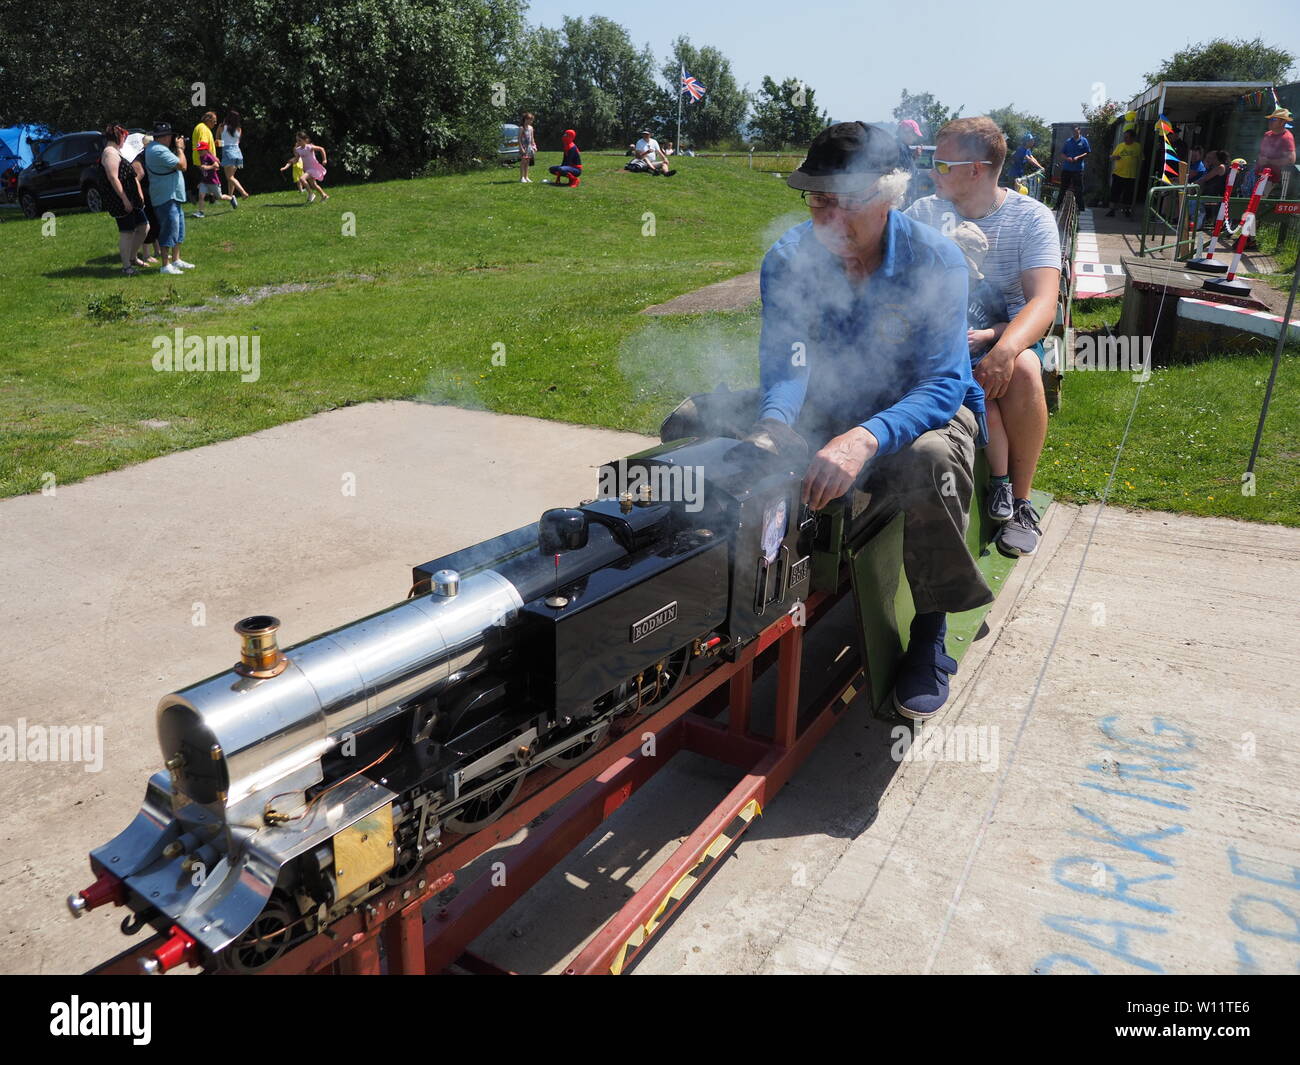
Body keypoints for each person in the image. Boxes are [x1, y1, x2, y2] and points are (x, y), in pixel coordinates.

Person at [754, 121, 992, 720]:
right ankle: (745, 601)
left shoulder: (934, 259)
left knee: (929, 461)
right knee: (700, 422)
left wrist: (865, 438)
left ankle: (929, 635)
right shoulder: (788, 259)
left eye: (849, 203)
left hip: (922, 411)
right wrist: (774, 424)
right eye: (817, 201)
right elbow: (788, 363)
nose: (830, 220)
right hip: (833, 405)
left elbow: (944, 383)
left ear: (891, 196)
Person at [907, 115, 1059, 561]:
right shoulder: (922, 213)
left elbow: (1043, 301)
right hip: (936, 339)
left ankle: (1021, 504)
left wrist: (1007, 348)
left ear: (976, 168)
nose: (933, 172)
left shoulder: (1030, 218)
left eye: (941, 163)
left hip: (1000, 337)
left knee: (1027, 369)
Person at [949, 221, 1014, 522]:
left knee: (989, 408)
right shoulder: (937, 282)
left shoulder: (987, 291)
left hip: (976, 365)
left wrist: (987, 334)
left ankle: (1001, 481)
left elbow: (1006, 324)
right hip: (944, 365)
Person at [143, 122, 194, 274]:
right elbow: (183, 165)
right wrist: (180, 149)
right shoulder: (158, 150)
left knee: (178, 230)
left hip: (172, 194)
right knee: (169, 230)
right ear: (165, 137)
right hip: (166, 196)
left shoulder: (158, 148)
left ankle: (176, 260)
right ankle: (165, 265)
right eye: (171, 136)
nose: (173, 138)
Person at [100, 124, 148, 276]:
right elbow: (113, 178)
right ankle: (126, 266)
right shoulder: (109, 153)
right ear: (117, 137)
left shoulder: (116, 151)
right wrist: (125, 200)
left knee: (143, 226)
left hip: (131, 198)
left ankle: (133, 257)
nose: (124, 140)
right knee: (127, 232)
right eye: (123, 137)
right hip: (120, 199)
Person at [131, 135, 162, 267]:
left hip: (153, 192)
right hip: (145, 194)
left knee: (156, 222)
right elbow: (137, 176)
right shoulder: (140, 158)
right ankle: (146, 254)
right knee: (148, 223)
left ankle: (158, 250)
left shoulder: (150, 155)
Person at [1255, 108, 1296, 196]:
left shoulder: (1287, 138)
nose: (1270, 121)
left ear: (1283, 122)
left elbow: (1291, 160)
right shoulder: (1267, 134)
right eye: (1270, 119)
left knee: (1259, 205)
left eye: (1274, 119)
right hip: (1258, 176)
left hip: (1272, 181)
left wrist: (1268, 161)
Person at [193, 140, 237, 215]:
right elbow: (204, 171)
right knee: (201, 195)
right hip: (205, 181)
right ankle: (201, 212)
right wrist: (201, 181)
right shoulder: (201, 157)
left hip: (213, 181)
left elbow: (216, 166)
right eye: (198, 150)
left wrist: (207, 167)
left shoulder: (209, 157)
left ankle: (231, 198)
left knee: (220, 197)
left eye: (200, 150)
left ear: (206, 150)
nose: (199, 152)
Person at [1106, 128, 1142, 217]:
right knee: (1115, 193)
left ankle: (1127, 210)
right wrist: (1114, 157)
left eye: (1127, 137)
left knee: (1128, 194)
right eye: (1124, 137)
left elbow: (1141, 159)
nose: (1125, 139)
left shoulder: (1137, 147)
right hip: (1118, 173)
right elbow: (1111, 157)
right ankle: (1112, 210)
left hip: (1131, 175)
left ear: (1133, 138)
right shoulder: (1120, 146)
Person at [1194, 149, 1229, 231]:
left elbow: (1205, 178)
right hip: (1211, 194)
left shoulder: (1220, 167)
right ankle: (1200, 222)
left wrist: (1192, 184)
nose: (1210, 160)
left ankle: (1198, 224)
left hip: (1215, 197)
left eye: (1212, 158)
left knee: (1194, 202)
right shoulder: (1215, 167)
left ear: (1217, 159)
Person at [219, 110, 250, 199]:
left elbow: (217, 140)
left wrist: (223, 145)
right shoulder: (239, 129)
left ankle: (243, 193)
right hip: (238, 153)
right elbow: (238, 142)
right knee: (231, 177)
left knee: (230, 177)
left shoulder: (222, 127)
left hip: (228, 152)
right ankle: (230, 196)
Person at [290, 132, 329, 202]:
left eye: (300, 140)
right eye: (297, 140)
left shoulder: (309, 147)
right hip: (307, 169)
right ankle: (324, 195)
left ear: (305, 140)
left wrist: (324, 159)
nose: (298, 142)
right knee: (313, 185)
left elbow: (321, 149)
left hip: (313, 168)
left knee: (302, 179)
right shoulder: (298, 149)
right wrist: (293, 161)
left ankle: (311, 194)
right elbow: (297, 158)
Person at [1058, 125, 1089, 211]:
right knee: (1063, 188)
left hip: (1078, 169)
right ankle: (1057, 205)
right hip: (1067, 168)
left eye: (1076, 131)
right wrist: (1067, 158)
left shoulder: (1084, 141)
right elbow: (1062, 153)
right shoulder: (1068, 141)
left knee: (1078, 189)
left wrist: (1078, 157)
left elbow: (1087, 152)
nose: (1075, 133)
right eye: (1073, 132)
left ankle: (1081, 207)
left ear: (1079, 131)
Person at [191, 111, 219, 203]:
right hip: (204, 160)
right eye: (214, 121)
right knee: (207, 180)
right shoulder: (203, 129)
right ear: (208, 119)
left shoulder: (201, 127)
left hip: (200, 159)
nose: (215, 123)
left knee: (207, 179)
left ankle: (212, 199)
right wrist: (213, 158)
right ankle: (196, 198)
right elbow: (203, 145)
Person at [518, 112, 537, 183]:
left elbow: (532, 138)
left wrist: (534, 146)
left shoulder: (531, 128)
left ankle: (526, 177)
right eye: (529, 119)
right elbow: (519, 139)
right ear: (525, 119)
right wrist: (521, 148)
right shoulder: (521, 128)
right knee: (523, 162)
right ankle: (521, 177)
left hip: (529, 147)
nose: (530, 121)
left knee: (527, 162)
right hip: (523, 147)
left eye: (531, 120)